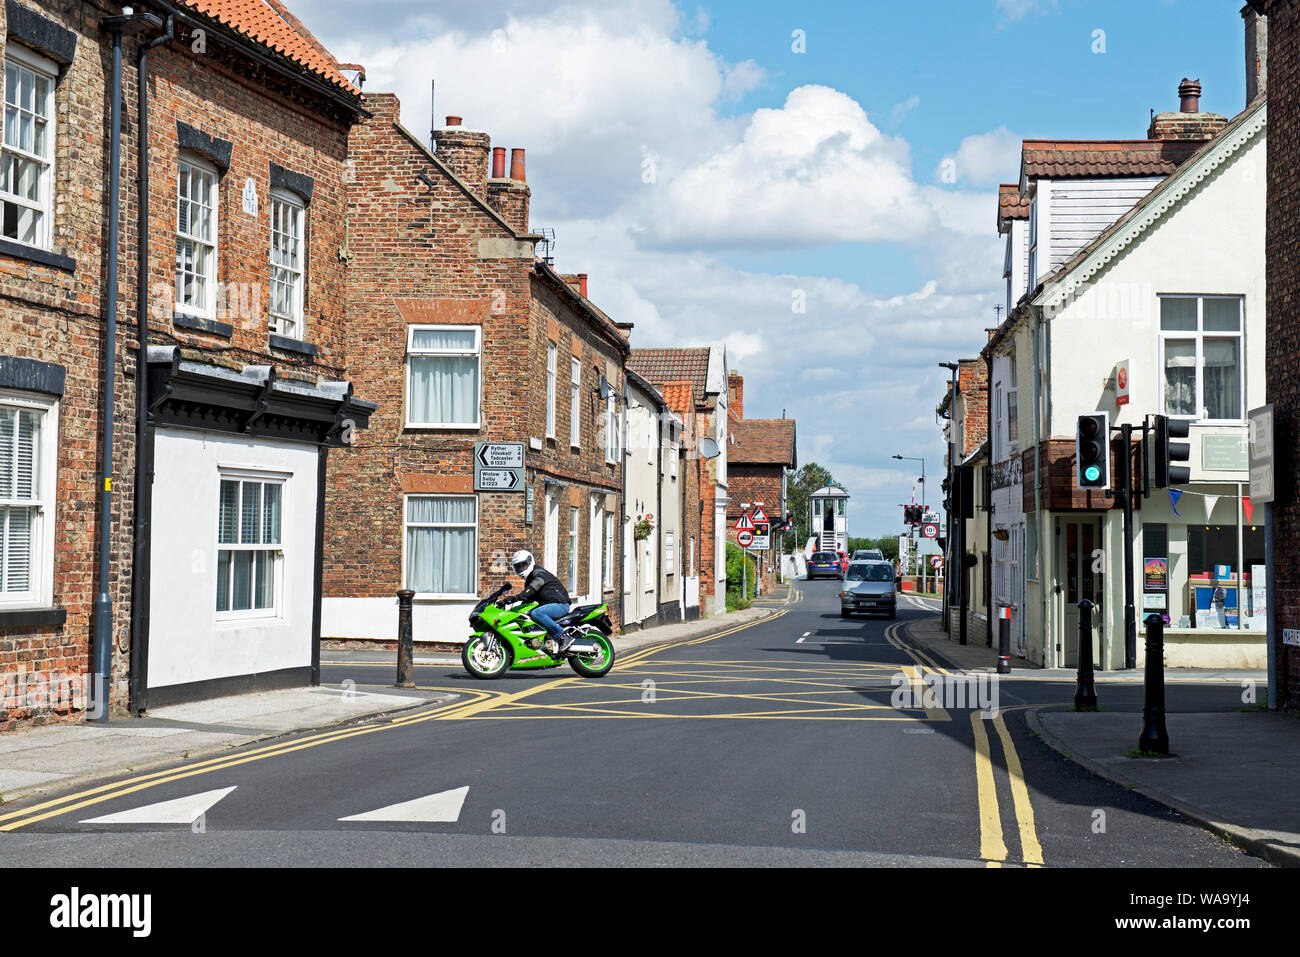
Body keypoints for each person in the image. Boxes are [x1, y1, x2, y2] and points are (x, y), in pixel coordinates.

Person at [509, 549, 573, 651]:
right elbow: (527, 600)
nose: (521, 568)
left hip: (560, 605)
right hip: (549, 605)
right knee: (524, 614)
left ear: (530, 561)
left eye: (523, 565)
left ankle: (563, 637)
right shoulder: (529, 580)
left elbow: (535, 586)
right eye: (518, 567)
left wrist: (516, 597)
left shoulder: (539, 573)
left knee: (537, 613)